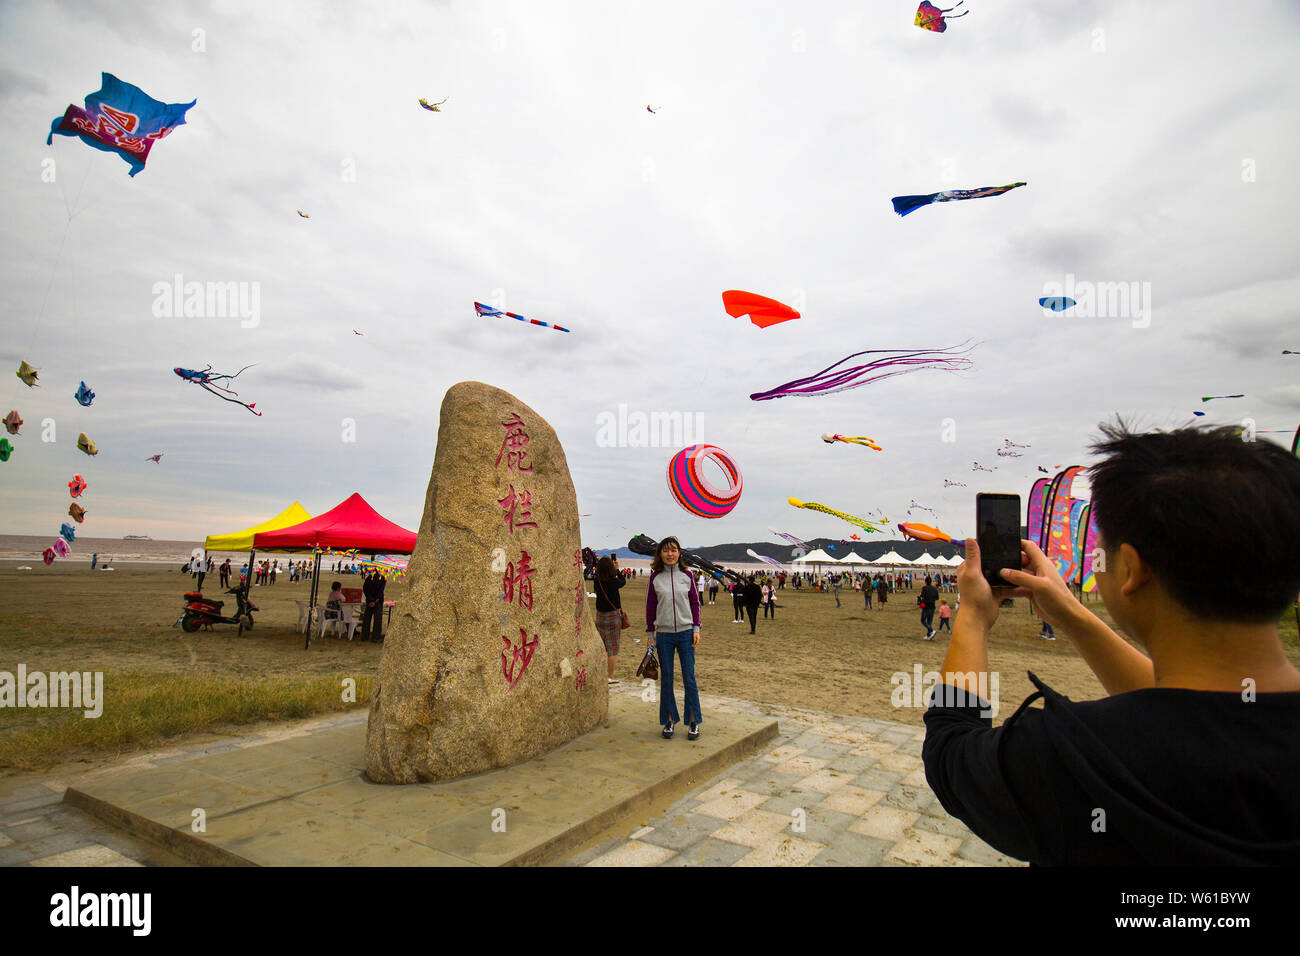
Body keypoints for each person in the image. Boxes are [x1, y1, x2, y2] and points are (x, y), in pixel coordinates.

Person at [923, 422, 1300, 864]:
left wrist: (972, 618)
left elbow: (951, 753)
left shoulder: (1076, 756)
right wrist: (1070, 614)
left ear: (1132, 569)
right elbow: (1190, 709)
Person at [645, 537, 701, 740]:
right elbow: (650, 607)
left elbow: (695, 603)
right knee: (667, 679)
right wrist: (650, 634)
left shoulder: (687, 575)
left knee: (689, 678)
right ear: (660, 554)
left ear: (679, 553)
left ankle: (693, 721)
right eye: (666, 551)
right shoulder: (655, 578)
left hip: (686, 633)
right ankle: (669, 721)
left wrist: (696, 628)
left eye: (674, 550)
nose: (670, 554)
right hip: (664, 635)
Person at [593, 555, 625, 685]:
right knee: (612, 648)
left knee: (601, 646)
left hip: (600, 615)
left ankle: (597, 674)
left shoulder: (597, 581)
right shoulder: (613, 581)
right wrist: (617, 570)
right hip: (613, 616)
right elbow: (623, 582)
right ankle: (610, 676)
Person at [361, 570, 386, 642]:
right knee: (377, 620)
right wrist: (375, 600)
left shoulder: (368, 578)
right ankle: (375, 637)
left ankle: (364, 636)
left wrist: (370, 600)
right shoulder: (382, 578)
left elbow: (365, 589)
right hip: (377, 602)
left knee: (367, 619)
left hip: (369, 601)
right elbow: (381, 591)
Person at [919, 575, 939, 639]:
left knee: (923, 620)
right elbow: (937, 598)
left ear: (925, 581)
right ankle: (929, 635)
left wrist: (920, 598)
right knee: (929, 621)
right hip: (933, 606)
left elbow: (922, 595)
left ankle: (931, 630)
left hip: (926, 606)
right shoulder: (935, 588)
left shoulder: (924, 588)